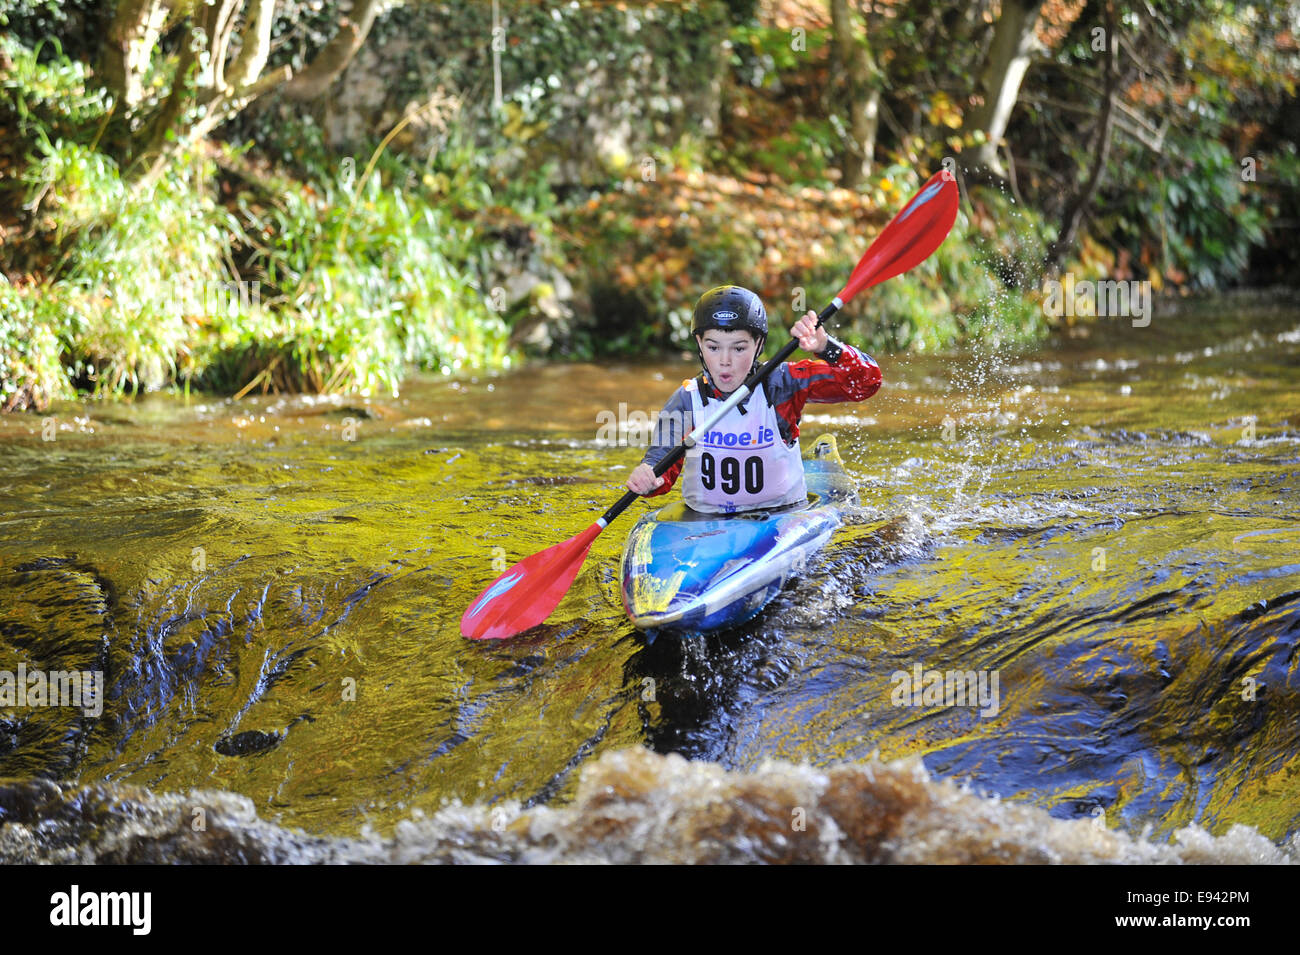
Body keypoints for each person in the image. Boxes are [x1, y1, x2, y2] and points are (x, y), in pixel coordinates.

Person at [625, 285, 882, 513]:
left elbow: (866, 384)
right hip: (707, 520)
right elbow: (661, 467)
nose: (725, 361)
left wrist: (826, 347)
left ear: (758, 344)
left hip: (782, 515)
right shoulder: (686, 399)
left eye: (739, 348)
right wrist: (648, 477)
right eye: (713, 347)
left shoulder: (782, 383)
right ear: (699, 344)